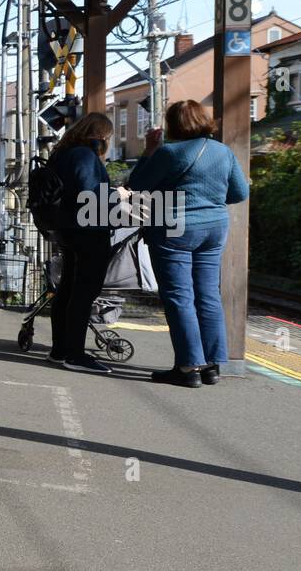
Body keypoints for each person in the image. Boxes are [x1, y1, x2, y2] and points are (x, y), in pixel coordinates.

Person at [129, 99, 249, 388]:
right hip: (214, 228)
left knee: (180, 297)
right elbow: (240, 192)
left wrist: (149, 151)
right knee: (208, 294)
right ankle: (211, 365)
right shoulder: (223, 151)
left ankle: (187, 367)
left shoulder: (169, 153)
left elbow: (137, 186)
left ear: (173, 124)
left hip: (175, 229)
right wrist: (209, 203)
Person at [44, 113, 117, 374]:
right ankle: (75, 354)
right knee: (85, 292)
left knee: (67, 289)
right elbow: (90, 194)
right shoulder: (84, 156)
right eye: (106, 138)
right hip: (88, 229)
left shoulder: (61, 153)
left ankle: (60, 350)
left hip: (67, 229)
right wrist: (117, 195)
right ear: (99, 136)